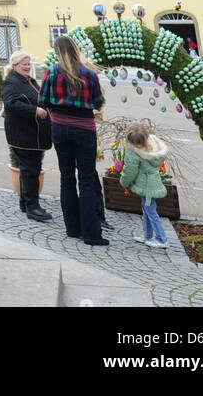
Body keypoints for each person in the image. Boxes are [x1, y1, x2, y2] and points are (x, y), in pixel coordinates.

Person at [40, 35, 110, 246]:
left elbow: (42, 100)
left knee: (67, 177)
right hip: (84, 129)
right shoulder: (89, 74)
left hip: (60, 128)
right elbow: (98, 103)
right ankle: (90, 232)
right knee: (87, 179)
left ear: (57, 52)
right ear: (76, 50)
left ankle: (72, 227)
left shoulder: (52, 72)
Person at [1, 50, 53, 222]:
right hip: (24, 135)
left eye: (29, 64)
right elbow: (10, 105)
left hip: (33, 135)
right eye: (24, 64)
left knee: (29, 169)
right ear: (15, 65)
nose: (27, 67)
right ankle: (33, 207)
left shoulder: (28, 80)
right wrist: (35, 111)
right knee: (31, 170)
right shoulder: (11, 82)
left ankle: (25, 202)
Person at [118, 121, 170, 249]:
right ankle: (147, 235)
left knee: (151, 211)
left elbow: (130, 170)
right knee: (147, 209)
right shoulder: (153, 145)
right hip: (153, 183)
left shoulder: (134, 152)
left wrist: (123, 182)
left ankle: (162, 239)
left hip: (146, 187)